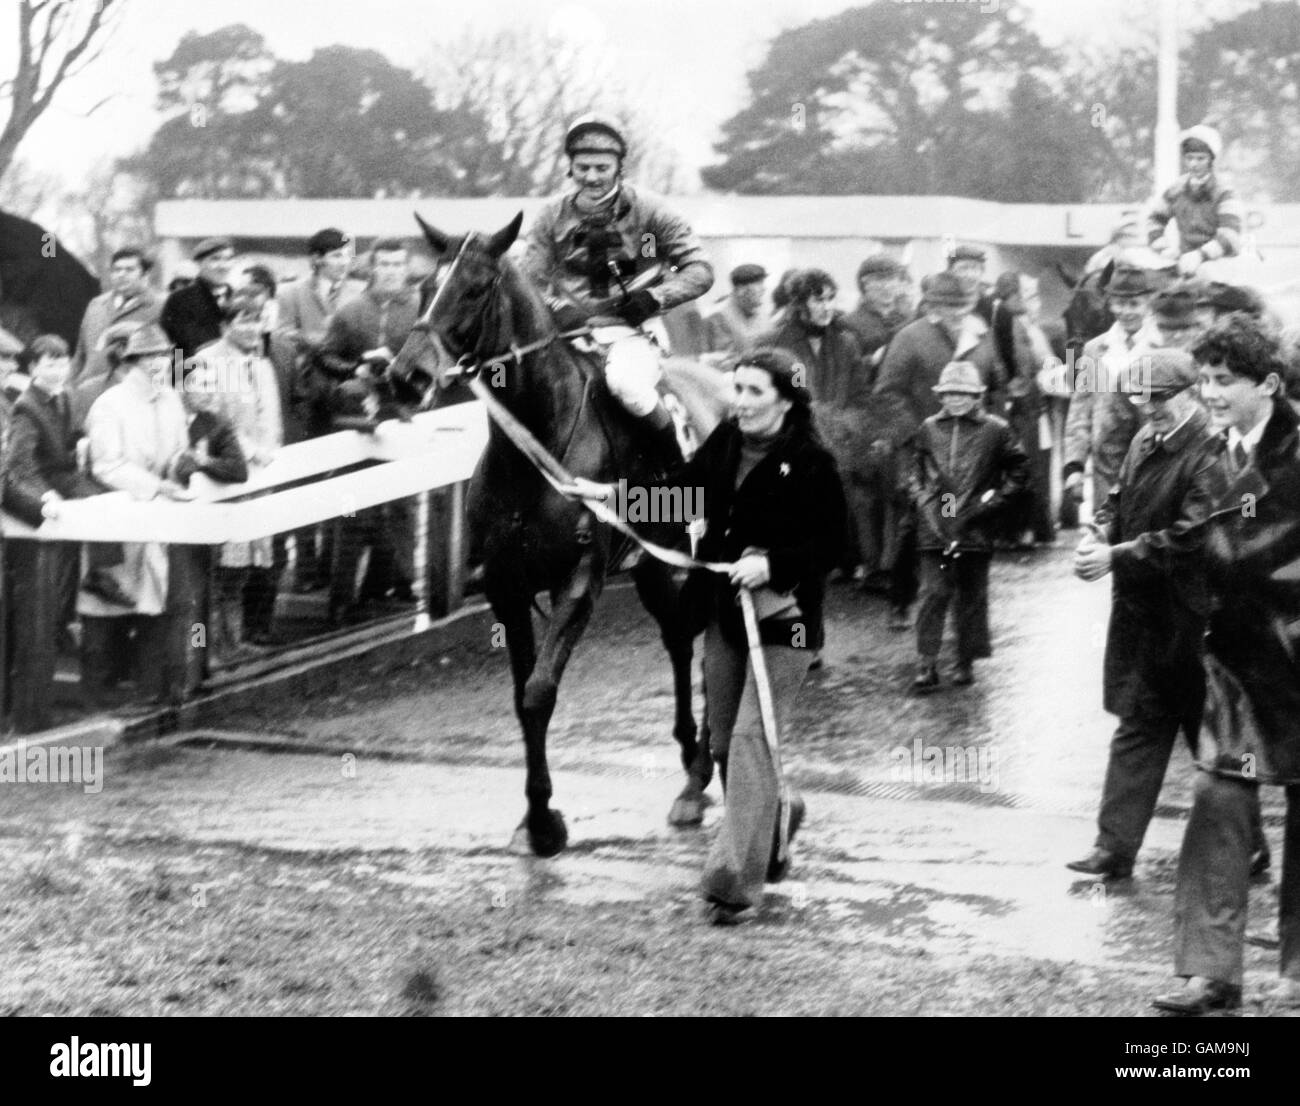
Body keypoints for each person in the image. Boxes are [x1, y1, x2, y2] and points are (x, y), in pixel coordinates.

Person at [1153, 315, 1300, 1015]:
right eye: (1204, 379)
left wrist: (1188, 540)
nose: (1208, 393)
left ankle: (1297, 969)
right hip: (1237, 663)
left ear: (1268, 384)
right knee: (1219, 796)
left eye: (1223, 381)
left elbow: (1246, 552)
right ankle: (1211, 974)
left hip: (1296, 654)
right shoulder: (1213, 447)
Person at [681, 348, 845, 923]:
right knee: (724, 743)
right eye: (737, 389)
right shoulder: (726, 441)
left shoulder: (811, 461)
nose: (740, 402)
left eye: (754, 391)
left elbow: (838, 546)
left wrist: (773, 563)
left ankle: (734, 883)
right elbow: (684, 493)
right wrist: (606, 498)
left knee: (752, 739)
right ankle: (780, 811)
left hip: (789, 621)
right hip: (728, 614)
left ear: (785, 398)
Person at [1066, 349, 1220, 881]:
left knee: (1213, 740)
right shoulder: (1144, 440)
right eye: (1141, 399)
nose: (1149, 408)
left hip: (1197, 620)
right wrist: (1099, 531)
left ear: (1191, 393)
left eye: (1160, 398)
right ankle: (1114, 847)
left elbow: (1193, 537)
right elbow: (1118, 496)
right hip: (1145, 618)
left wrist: (1117, 556)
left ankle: (1246, 849)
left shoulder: (1211, 448)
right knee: (1139, 725)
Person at [522, 114, 714, 470]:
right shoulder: (550, 215)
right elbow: (527, 278)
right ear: (570, 168)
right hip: (567, 333)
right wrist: (553, 306)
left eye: (601, 167)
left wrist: (655, 298)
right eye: (582, 168)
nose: (591, 177)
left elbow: (700, 270)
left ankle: (672, 466)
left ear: (619, 167)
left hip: (632, 331)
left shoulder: (652, 210)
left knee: (625, 385)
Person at [872, 271, 1005, 628]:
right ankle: (900, 600)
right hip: (924, 449)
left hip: (972, 450)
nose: (957, 314)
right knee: (915, 524)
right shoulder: (910, 337)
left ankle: (959, 603)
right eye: (949, 307)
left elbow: (995, 386)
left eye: (963, 306)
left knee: (967, 522)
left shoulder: (982, 336)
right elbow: (886, 393)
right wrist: (916, 435)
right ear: (932, 307)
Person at [78, 324, 196, 708]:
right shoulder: (110, 404)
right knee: (105, 606)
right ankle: (95, 698)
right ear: (131, 361)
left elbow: (180, 450)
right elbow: (105, 465)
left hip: (161, 521)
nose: (159, 363)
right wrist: (154, 486)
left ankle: (150, 694)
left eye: (164, 356)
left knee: (156, 604)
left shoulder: (172, 401)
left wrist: (182, 470)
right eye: (149, 357)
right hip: (117, 521)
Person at [907, 361, 1028, 691]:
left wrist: (989, 505)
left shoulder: (996, 429)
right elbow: (915, 472)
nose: (956, 399)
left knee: (971, 596)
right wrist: (922, 500)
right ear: (940, 396)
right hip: (936, 525)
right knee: (934, 592)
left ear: (977, 396)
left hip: (975, 526)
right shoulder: (928, 428)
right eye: (949, 394)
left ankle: (965, 660)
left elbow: (1019, 471)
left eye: (964, 394)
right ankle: (926, 663)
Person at [319, 238, 419, 623]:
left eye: (398, 264)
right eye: (384, 265)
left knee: (401, 506)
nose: (392, 271)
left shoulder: (420, 310)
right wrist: (355, 369)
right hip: (357, 421)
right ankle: (341, 598)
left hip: (403, 414)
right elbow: (325, 356)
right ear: (371, 268)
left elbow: (437, 356)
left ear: (406, 268)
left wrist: (404, 370)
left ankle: (393, 586)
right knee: (353, 509)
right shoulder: (350, 311)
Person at [185, 288, 283, 658]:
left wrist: (270, 452)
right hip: (221, 475)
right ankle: (206, 651)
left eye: (256, 319)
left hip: (258, 481)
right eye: (243, 320)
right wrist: (249, 451)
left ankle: (232, 645)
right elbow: (209, 415)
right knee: (216, 573)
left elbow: (271, 420)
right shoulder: (206, 360)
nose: (251, 327)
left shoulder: (262, 363)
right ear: (226, 325)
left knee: (242, 572)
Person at [1063, 267, 1161, 516]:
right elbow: (1080, 411)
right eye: (1119, 303)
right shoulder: (1094, 350)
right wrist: (1074, 466)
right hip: (1106, 469)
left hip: (1155, 463)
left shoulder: (1163, 347)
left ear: (1148, 303)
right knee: (1107, 539)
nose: (1126, 311)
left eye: (1133, 303)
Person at [1147, 125, 1243, 279]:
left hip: (1221, 265)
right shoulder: (1176, 189)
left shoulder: (1225, 192)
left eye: (1200, 158)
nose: (1193, 164)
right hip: (1186, 263)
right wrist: (1163, 248)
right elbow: (1154, 219)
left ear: (1211, 160)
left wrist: (1200, 255)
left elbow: (1230, 235)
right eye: (1189, 158)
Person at [69, 247, 161, 389]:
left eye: (129, 270)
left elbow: (168, 356)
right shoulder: (96, 305)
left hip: (131, 393)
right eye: (117, 270)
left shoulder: (159, 307)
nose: (121, 275)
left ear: (145, 274)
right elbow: (80, 355)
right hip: (87, 392)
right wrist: (69, 386)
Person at [160, 237, 236, 361]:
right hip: (194, 373)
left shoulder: (238, 297)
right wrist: (181, 376)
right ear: (199, 264)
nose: (223, 266)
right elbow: (174, 348)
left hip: (234, 375)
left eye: (228, 259)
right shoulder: (179, 300)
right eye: (215, 259)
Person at [842, 254, 908, 370]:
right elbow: (842, 370)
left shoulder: (906, 320)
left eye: (892, 279)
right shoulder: (848, 324)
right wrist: (872, 360)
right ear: (865, 284)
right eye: (879, 280)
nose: (887, 286)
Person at [703, 263, 769, 368]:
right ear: (741, 290)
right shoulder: (719, 316)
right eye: (759, 283)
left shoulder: (762, 312)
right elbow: (725, 362)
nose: (764, 289)